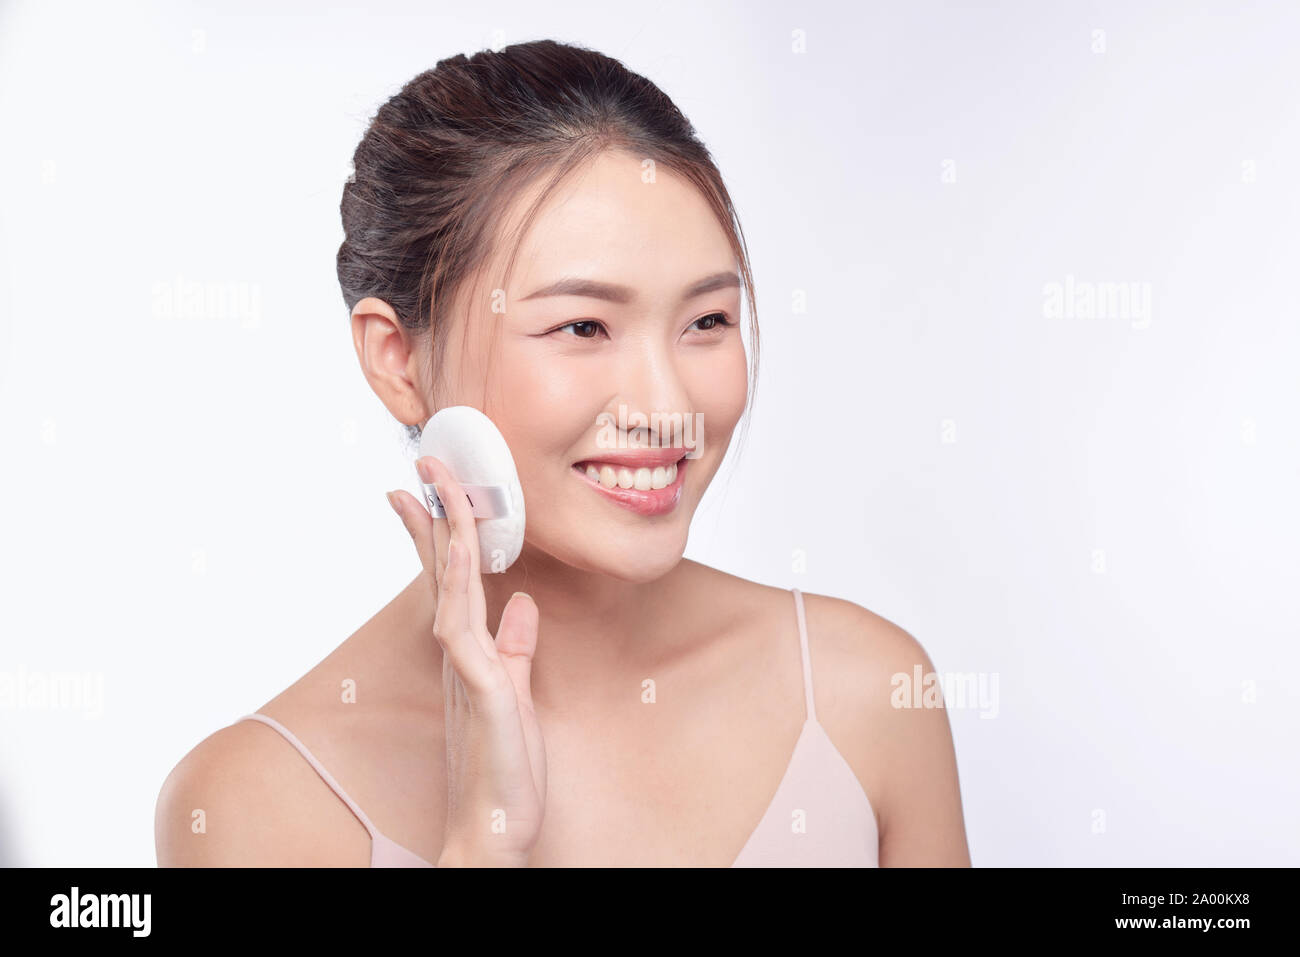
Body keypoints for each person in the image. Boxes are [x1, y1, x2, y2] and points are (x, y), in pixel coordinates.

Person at [155, 38, 971, 867]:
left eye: (707, 321)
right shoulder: (255, 806)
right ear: (397, 358)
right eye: (583, 327)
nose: (667, 409)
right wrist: (483, 840)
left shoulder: (867, 694)